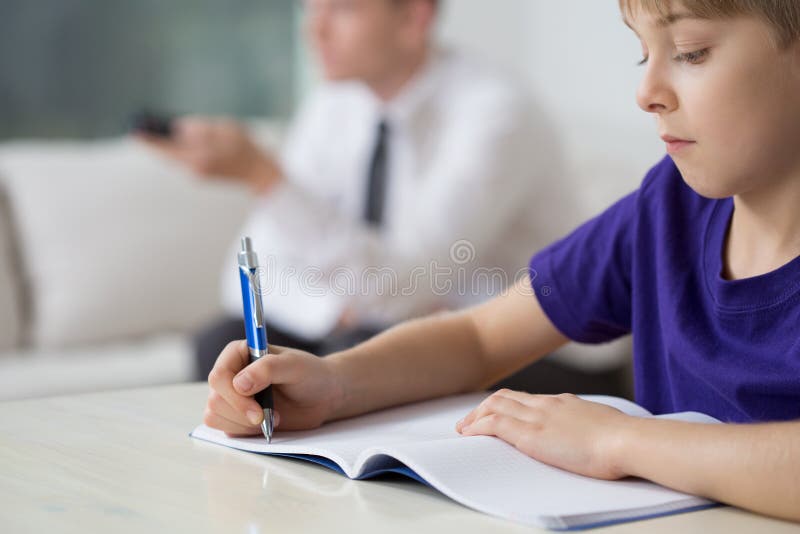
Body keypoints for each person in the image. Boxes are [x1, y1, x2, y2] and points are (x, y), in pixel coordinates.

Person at [202, 0, 800, 521]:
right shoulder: (665, 208)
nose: (646, 93)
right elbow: (480, 336)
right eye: (644, 55)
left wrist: (621, 441)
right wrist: (334, 384)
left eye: (691, 53)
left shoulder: (497, 109)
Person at [139, 0, 571, 381]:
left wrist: (263, 175)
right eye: (308, 7)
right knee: (225, 344)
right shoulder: (334, 104)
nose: (314, 28)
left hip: (528, 346)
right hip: (391, 323)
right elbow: (248, 273)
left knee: (357, 353)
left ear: (413, 18)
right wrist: (332, 312)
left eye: (342, 8)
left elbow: (400, 293)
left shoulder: (495, 113)